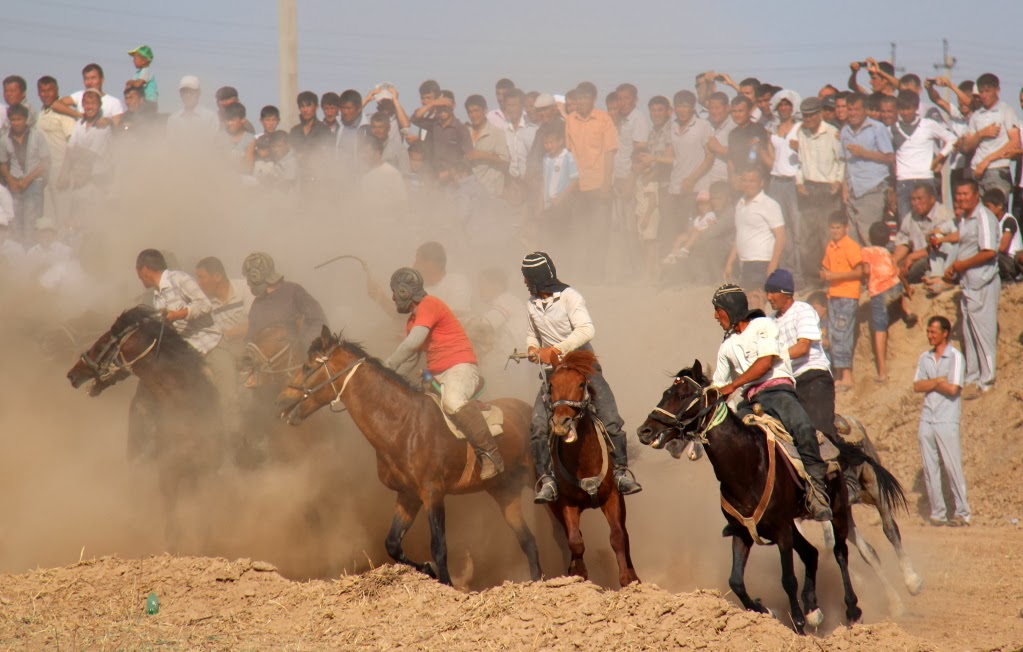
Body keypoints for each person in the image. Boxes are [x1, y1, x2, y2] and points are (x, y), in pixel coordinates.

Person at [522, 251, 641, 502]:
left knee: (610, 417)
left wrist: (555, 350)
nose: (524, 282)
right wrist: (533, 349)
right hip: (553, 374)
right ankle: (547, 481)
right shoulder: (531, 304)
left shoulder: (569, 297)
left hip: (583, 365)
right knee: (537, 426)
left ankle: (621, 472)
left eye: (526, 277)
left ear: (535, 277)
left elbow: (587, 329)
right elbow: (533, 334)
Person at [710, 283, 832, 521]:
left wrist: (734, 386)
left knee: (803, 428)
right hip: (750, 402)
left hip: (778, 392)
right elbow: (717, 386)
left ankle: (817, 491)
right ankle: (743, 507)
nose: (715, 316)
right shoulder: (726, 347)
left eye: (718, 309)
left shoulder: (763, 325)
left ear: (731, 308)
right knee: (731, 444)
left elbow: (765, 363)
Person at [382, 267, 503, 480]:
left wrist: (386, 365)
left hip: (460, 367)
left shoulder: (429, 305)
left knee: (453, 401)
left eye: (394, 292)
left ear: (404, 291)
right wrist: (386, 380)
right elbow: (410, 360)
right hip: (437, 375)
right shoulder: (413, 321)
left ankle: (491, 455)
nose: (392, 297)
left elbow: (412, 344)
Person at [764, 269, 837, 439]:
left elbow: (802, 347)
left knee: (821, 433)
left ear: (786, 293)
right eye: (767, 291)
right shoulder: (768, 321)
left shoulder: (803, 311)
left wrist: (772, 358)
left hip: (813, 377)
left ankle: (838, 460)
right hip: (787, 385)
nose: (768, 297)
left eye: (773, 291)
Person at [944, 179, 999, 399]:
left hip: (982, 282)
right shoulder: (966, 218)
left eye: (966, 194)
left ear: (976, 194)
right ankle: (972, 377)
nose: (961, 198)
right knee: (969, 333)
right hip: (968, 284)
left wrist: (960, 265)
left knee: (984, 334)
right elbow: (962, 240)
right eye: (958, 194)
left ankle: (987, 381)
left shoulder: (984, 217)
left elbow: (989, 252)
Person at [913, 316, 970, 527]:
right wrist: (938, 381)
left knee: (952, 465)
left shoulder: (955, 356)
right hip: (928, 416)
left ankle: (963, 512)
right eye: (928, 332)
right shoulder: (924, 357)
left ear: (945, 333)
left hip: (947, 418)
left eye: (933, 332)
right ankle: (938, 513)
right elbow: (917, 386)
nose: (930, 335)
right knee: (930, 467)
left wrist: (930, 384)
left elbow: (954, 388)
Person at [565, 82, 618, 281]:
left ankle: (597, 274)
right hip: (578, 185)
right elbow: (569, 153)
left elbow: (609, 153)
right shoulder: (570, 120)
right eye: (578, 97)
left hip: (598, 185)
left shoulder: (604, 120)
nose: (581, 101)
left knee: (599, 232)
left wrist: (606, 185)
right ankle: (582, 273)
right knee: (579, 231)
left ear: (593, 99)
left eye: (586, 97)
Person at [796, 97, 845, 286]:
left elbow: (841, 160)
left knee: (827, 237)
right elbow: (799, 162)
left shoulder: (832, 133)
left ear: (819, 114)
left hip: (827, 190)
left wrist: (837, 182)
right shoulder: (801, 133)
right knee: (808, 239)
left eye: (811, 116)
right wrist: (799, 182)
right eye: (805, 116)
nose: (807, 120)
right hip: (808, 188)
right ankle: (812, 279)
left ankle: (829, 279)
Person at [861, 221, 916, 383]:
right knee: (894, 286)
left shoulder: (865, 251)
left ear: (869, 238)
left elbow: (865, 270)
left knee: (879, 329)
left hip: (879, 292)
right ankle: (906, 311)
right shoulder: (887, 252)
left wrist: (864, 279)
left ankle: (882, 372)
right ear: (887, 240)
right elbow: (897, 272)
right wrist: (907, 289)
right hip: (895, 287)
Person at [724, 166, 785, 308]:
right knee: (748, 302)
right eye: (745, 180)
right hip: (745, 263)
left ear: (761, 182)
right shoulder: (740, 204)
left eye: (752, 181)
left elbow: (781, 236)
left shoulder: (769, 204)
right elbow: (739, 235)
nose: (748, 184)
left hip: (762, 261)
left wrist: (773, 265)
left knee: (758, 300)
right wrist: (730, 262)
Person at [890, 91, 955, 221]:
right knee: (905, 222)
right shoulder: (893, 128)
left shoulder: (928, 125)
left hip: (925, 179)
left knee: (929, 220)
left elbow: (952, 139)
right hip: (903, 181)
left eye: (908, 108)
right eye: (902, 109)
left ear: (915, 108)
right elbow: (887, 151)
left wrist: (938, 159)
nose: (905, 113)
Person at [242, 252, 328, 350]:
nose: (248, 283)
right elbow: (250, 338)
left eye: (250, 278)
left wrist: (303, 345)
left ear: (256, 277)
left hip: (300, 358)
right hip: (267, 362)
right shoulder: (257, 305)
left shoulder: (294, 291)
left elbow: (319, 321)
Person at [841, 92, 894, 244]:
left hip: (871, 189)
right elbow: (844, 161)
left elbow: (889, 157)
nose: (853, 113)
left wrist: (864, 153)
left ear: (865, 110)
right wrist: (845, 188)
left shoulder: (877, 128)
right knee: (853, 241)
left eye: (856, 110)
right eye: (850, 110)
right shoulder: (845, 130)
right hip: (853, 191)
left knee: (869, 238)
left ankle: (874, 268)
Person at [820, 211, 863, 391]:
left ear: (846, 227)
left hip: (847, 296)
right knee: (834, 334)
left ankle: (847, 377)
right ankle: (838, 375)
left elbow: (860, 271)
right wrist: (824, 273)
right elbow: (825, 266)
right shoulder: (830, 246)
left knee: (843, 333)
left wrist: (835, 276)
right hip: (833, 295)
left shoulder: (851, 246)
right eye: (832, 228)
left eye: (838, 227)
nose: (835, 231)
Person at [959, 73, 1020, 195]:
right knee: (979, 212)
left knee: (996, 209)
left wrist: (987, 160)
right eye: (981, 92)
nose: (984, 95)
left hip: (997, 168)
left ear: (997, 90)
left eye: (988, 91)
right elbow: (966, 147)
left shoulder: (1006, 111)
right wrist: (981, 134)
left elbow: (1015, 142)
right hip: (977, 171)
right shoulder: (976, 115)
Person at [892, 183, 958, 285]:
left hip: (938, 260)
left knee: (912, 270)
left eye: (920, 199)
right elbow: (903, 241)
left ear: (932, 199)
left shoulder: (943, 215)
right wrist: (894, 262)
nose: (916, 203)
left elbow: (938, 246)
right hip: (917, 259)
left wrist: (912, 257)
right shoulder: (910, 216)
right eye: (913, 199)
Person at [0, 104, 49, 241]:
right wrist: (10, 180)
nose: (16, 123)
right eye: (13, 120)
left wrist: (27, 180)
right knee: (16, 221)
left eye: (19, 119)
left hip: (34, 182)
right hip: (15, 184)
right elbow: (3, 163)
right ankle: (19, 254)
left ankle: (32, 253)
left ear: (26, 119)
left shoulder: (37, 136)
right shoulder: (4, 139)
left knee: (32, 220)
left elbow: (45, 162)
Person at [464, 95, 509, 198]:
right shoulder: (465, 133)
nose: (473, 115)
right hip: (468, 191)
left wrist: (483, 155)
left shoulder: (497, 133)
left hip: (491, 191)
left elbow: (506, 160)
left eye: (476, 111)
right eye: (470, 112)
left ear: (485, 110)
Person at [981, 188, 1022, 281]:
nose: (986, 211)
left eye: (988, 207)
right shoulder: (991, 222)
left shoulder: (1008, 220)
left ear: (999, 206)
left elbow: (1003, 247)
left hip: (1011, 261)